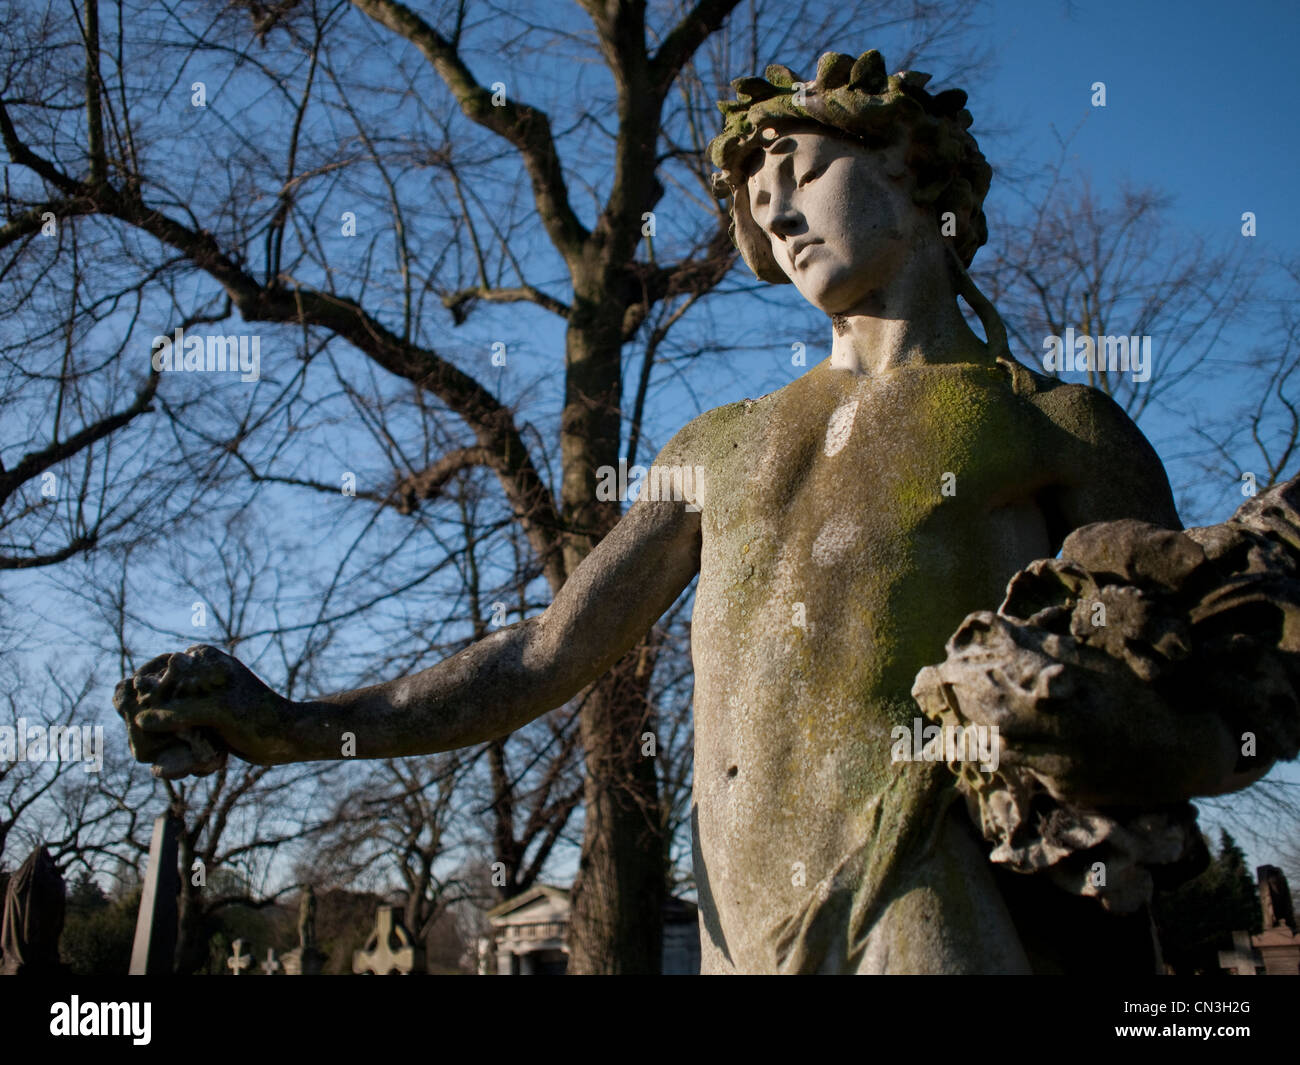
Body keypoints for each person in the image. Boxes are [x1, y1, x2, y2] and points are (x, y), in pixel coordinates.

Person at [117, 51, 1209, 972]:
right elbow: (544, 656)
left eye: (803, 169)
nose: (773, 212)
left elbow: (1191, 692)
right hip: (736, 918)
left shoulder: (1050, 425)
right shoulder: (716, 448)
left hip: (915, 883)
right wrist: (297, 726)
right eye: (754, 199)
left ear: (911, 168)